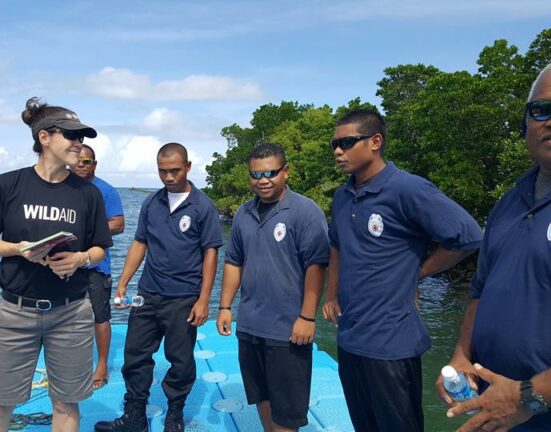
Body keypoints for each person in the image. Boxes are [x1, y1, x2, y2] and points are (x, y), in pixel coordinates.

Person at [438, 53, 551, 431]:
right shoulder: (512, 200)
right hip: (495, 413)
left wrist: (529, 396)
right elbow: (480, 292)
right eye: (542, 110)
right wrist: (462, 357)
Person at [322, 109, 483, 431]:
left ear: (375, 142)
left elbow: (467, 237)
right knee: (364, 424)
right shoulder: (342, 196)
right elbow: (337, 244)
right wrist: (331, 294)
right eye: (334, 145)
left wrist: (418, 273)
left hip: (391, 342)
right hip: (351, 336)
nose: (338, 151)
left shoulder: (408, 189)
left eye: (347, 142)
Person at [0, 97, 112, 432]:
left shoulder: (87, 194)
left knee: (66, 404)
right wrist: (18, 249)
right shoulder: (7, 185)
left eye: (82, 137)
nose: (79, 143)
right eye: (71, 135)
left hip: (71, 312)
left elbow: (100, 249)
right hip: (16, 312)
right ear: (44, 138)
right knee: (0, 405)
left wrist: (79, 258)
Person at [95, 143, 223, 432]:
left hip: (184, 297)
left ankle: (174, 415)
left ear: (188, 167)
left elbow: (210, 254)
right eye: (163, 171)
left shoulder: (203, 206)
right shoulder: (152, 203)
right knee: (135, 355)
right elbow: (140, 243)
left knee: (180, 360)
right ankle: (134, 417)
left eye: (175, 170)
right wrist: (124, 282)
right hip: (147, 293)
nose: (168, 177)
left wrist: (204, 300)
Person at [216, 143, 329, 432]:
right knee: (262, 398)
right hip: (251, 325)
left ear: (286, 171)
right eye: (255, 174)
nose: (263, 180)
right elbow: (233, 262)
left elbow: (316, 266)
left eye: (270, 172)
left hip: (288, 330)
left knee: (286, 412)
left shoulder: (306, 211)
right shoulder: (243, 213)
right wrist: (225, 307)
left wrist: (307, 317)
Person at [74, 144, 125, 390]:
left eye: (87, 162)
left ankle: (102, 365)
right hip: (68, 264)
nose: (82, 166)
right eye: (77, 161)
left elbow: (118, 224)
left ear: (95, 164)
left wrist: (86, 229)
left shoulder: (106, 191)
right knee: (64, 315)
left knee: (100, 315)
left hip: (97, 265)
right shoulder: (63, 188)